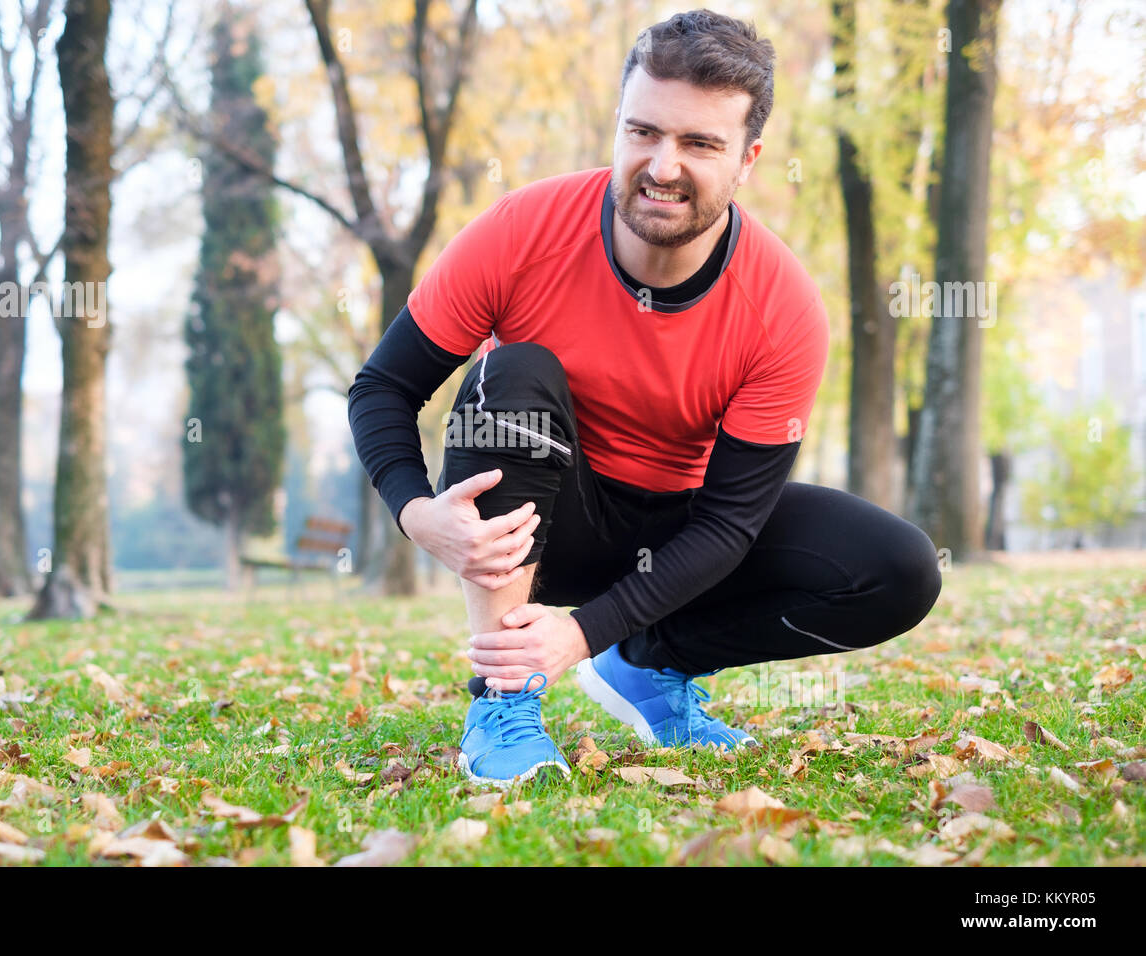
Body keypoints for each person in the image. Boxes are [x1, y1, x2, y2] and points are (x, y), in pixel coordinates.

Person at [347, 9, 942, 787]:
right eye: (643, 132)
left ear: (747, 159)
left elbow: (732, 522)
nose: (663, 165)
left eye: (699, 143)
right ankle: (502, 699)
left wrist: (587, 636)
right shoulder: (522, 230)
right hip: (547, 523)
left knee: (899, 568)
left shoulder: (784, 305)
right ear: (619, 128)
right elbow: (382, 387)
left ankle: (652, 665)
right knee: (514, 372)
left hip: (685, 537)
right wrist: (415, 512)